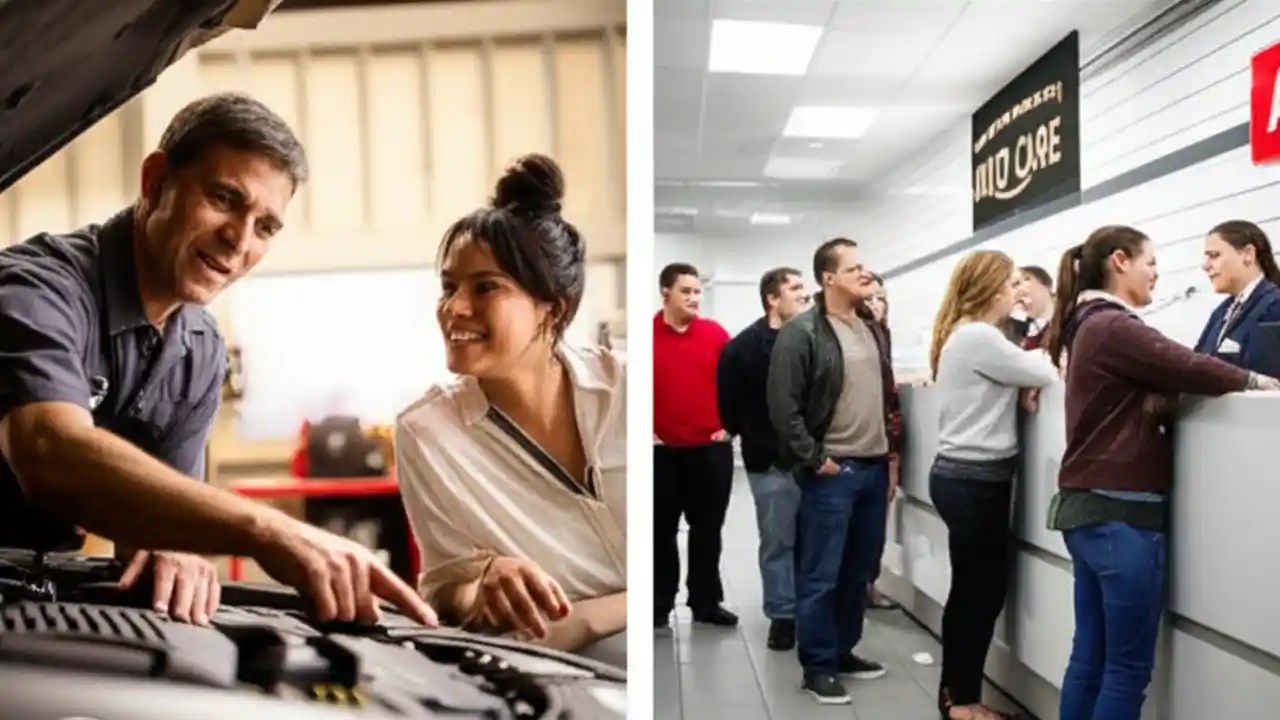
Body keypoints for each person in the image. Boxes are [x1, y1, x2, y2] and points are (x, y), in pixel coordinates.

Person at [0, 92, 435, 628]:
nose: (239, 240)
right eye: (225, 199)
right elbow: (49, 452)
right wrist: (268, 529)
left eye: (266, 226)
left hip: (39, 595)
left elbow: (154, 530)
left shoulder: (200, 349)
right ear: (156, 182)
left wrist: (175, 548)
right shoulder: (38, 289)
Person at [1040, 225, 1280, 720]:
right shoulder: (1113, 325)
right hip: (1123, 513)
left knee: (1090, 657)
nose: (1158, 273)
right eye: (1151, 262)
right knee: (1125, 671)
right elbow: (1189, 365)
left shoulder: (1086, 322)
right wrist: (1255, 380)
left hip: (1089, 510)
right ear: (1121, 262)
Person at [394, 154, 625, 659]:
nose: (454, 308)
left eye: (486, 287)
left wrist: (587, 619)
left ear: (554, 308)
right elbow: (441, 588)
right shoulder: (428, 433)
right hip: (558, 678)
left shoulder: (626, 390)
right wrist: (484, 585)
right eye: (449, 287)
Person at [767, 237, 900, 705]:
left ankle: (844, 651)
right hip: (833, 470)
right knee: (820, 573)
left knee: (857, 569)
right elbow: (783, 409)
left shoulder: (868, 326)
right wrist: (815, 457)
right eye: (855, 267)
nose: (867, 274)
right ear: (829, 278)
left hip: (872, 467)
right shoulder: (802, 333)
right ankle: (817, 666)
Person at [927, 251, 1058, 720]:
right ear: (991, 289)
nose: (1015, 293)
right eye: (1010, 284)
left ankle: (954, 694)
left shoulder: (967, 334)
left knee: (968, 592)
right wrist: (1029, 373)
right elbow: (1045, 368)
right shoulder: (979, 335)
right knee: (980, 596)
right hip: (974, 482)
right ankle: (963, 703)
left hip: (963, 478)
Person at [716, 267, 808, 650]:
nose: (805, 295)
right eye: (796, 289)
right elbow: (728, 406)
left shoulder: (814, 341)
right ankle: (783, 616)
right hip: (769, 462)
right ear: (772, 299)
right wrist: (756, 439)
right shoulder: (743, 349)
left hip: (814, 461)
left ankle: (813, 612)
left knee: (814, 541)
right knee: (778, 541)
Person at [653, 262, 737, 628]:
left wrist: (733, 427)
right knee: (660, 532)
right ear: (665, 293)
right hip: (660, 452)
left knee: (707, 530)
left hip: (710, 449)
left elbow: (741, 381)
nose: (694, 298)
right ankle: (658, 603)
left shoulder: (715, 335)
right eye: (686, 291)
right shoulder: (647, 336)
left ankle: (705, 602)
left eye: (697, 291)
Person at [1194, 220, 1280, 370]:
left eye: (1214, 255)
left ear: (1248, 254)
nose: (1205, 265)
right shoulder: (1220, 313)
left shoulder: (1275, 305)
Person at [862, 272, 899, 611]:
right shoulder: (863, 337)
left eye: (881, 298)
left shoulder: (882, 335)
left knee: (874, 527)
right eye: (869, 298)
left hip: (882, 446)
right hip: (864, 447)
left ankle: (867, 586)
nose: (877, 305)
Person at [1014, 265, 1054, 350]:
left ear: (1046, 285)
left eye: (1027, 279)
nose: (1021, 288)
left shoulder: (1069, 321)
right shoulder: (1022, 335)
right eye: (1016, 284)